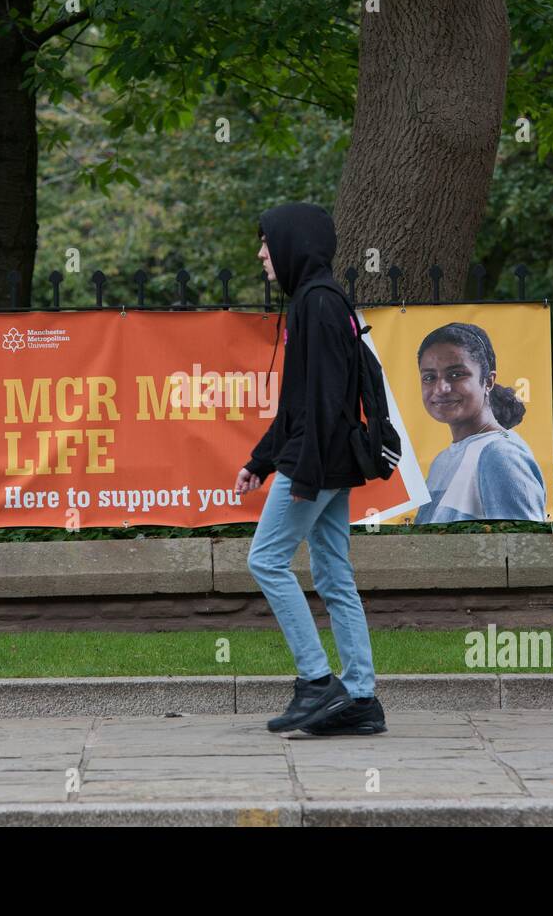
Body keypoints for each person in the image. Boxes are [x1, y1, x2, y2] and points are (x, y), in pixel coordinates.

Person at [235, 201, 386, 736]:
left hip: (318, 463)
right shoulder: (319, 300)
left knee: (267, 561)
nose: (260, 254)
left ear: (293, 243)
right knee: (332, 574)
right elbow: (299, 404)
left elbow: (322, 403)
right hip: (328, 459)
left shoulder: (316, 305)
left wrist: (304, 475)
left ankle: (317, 681)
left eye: (266, 242)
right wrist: (261, 460)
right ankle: (361, 699)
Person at [413, 322, 546, 524]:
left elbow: (523, 546)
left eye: (456, 374)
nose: (441, 388)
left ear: (488, 381)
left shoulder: (500, 455)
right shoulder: (442, 460)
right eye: (429, 377)